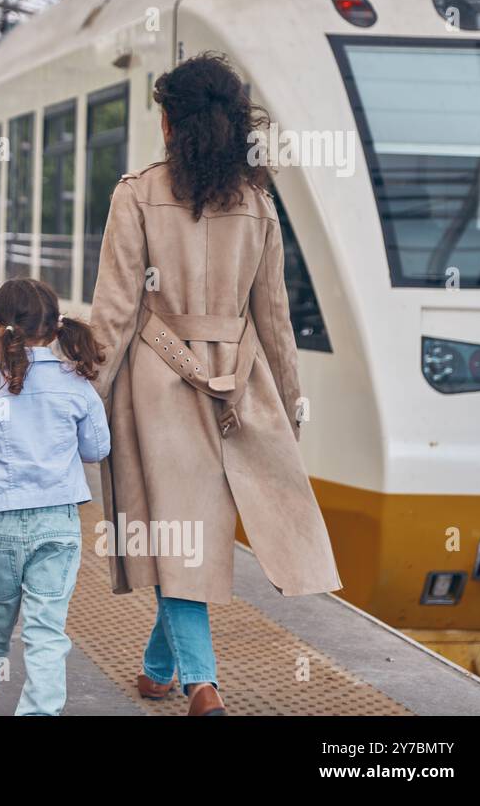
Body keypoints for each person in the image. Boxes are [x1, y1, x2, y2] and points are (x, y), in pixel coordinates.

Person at [89, 52, 340, 716]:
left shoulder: (136, 193)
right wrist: (286, 404)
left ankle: (203, 684)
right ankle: (157, 667)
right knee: (192, 533)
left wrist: (80, 404)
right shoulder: (257, 202)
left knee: (178, 533)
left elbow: (113, 315)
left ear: (169, 122)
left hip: (158, 386)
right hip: (238, 382)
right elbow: (275, 318)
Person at [0, 278, 109, 716]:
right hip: (58, 525)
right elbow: (96, 450)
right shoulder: (78, 386)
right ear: (54, 332)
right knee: (47, 630)